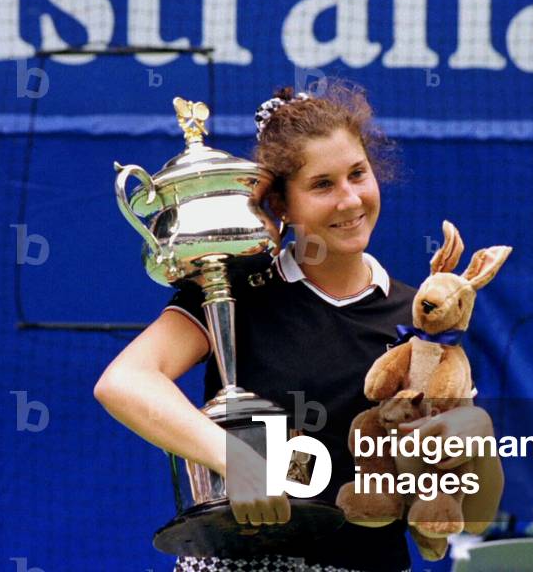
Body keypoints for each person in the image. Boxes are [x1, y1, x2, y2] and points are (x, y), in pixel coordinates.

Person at [94, 82, 503, 571]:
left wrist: (478, 442)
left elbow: (476, 516)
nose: (350, 200)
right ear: (282, 206)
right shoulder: (234, 286)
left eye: (358, 174)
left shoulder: (420, 315)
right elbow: (123, 382)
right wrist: (234, 459)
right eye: (322, 185)